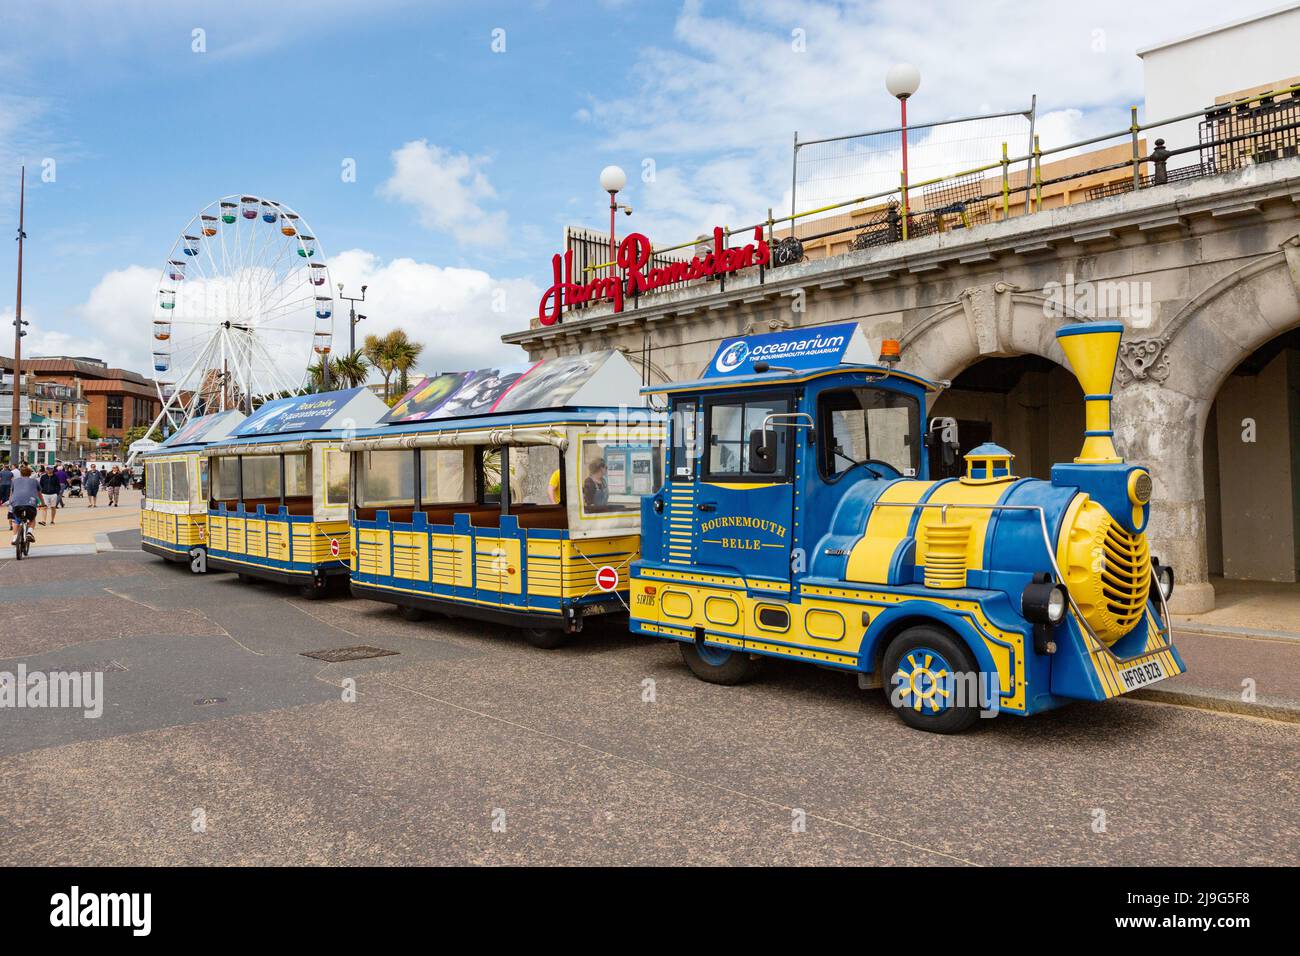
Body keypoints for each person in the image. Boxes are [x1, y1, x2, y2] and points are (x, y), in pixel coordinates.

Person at [8, 466, 39, 546]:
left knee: (16, 520)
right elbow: (39, 494)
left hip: (16, 503)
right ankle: (29, 533)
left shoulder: (15, 481)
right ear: (30, 473)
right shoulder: (34, 481)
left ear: (20, 473)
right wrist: (43, 503)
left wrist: (11, 502)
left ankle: (14, 538)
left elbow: (11, 493)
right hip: (30, 504)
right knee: (32, 519)